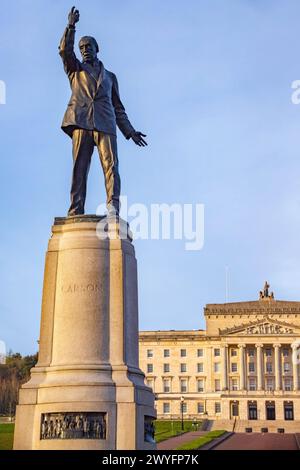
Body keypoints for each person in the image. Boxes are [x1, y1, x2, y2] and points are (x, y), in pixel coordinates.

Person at [59, 7, 147, 217]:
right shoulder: (75, 69)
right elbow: (64, 51)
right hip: (81, 122)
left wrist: (130, 132)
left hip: (106, 123)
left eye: (89, 46)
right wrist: (71, 27)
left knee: (111, 167)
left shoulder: (110, 77)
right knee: (79, 169)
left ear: (98, 49)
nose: (85, 49)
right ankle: (76, 209)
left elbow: (118, 108)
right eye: (82, 47)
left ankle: (113, 207)